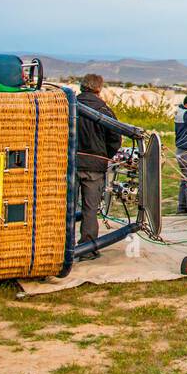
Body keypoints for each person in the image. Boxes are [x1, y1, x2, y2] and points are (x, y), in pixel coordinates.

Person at [75, 73, 121, 258]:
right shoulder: (105, 110)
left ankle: (61, 246)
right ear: (99, 88)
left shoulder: (67, 105)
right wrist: (104, 157)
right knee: (90, 208)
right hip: (94, 166)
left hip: (70, 165)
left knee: (65, 208)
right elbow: (115, 139)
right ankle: (87, 249)